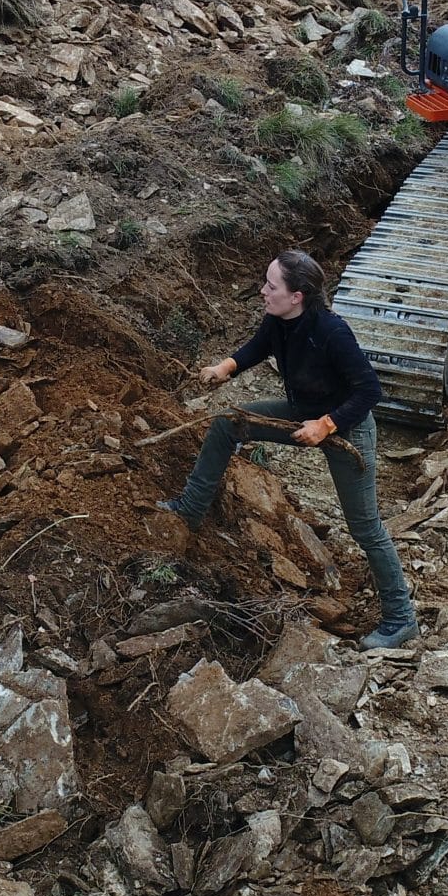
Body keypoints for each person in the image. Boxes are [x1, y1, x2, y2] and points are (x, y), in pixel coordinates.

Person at [160, 250, 419, 650]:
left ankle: (401, 618)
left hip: (346, 429)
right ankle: (191, 509)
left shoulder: (332, 332)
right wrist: (225, 368)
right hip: (301, 414)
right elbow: (257, 347)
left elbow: (370, 390)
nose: (263, 291)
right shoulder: (278, 320)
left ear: (297, 295)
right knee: (228, 424)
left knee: (366, 528)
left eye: (271, 285)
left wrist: (327, 424)